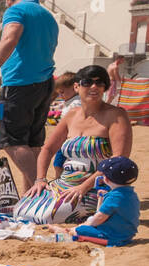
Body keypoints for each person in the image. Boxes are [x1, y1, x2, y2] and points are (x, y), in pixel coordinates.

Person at [15, 65, 131, 224]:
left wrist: (83, 187)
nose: (94, 87)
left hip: (96, 188)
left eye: (100, 83)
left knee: (47, 216)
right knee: (20, 210)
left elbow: (118, 160)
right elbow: (48, 149)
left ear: (105, 87)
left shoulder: (116, 116)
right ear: (76, 86)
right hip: (63, 184)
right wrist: (40, 180)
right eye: (88, 82)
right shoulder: (71, 115)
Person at [0, 0, 59, 191]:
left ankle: (43, 187)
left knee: (9, 139)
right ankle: (31, 196)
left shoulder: (16, 10)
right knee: (32, 143)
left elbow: (11, 38)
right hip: (45, 82)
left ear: (8, 1)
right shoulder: (47, 16)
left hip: (20, 83)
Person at [71, 156, 139, 246]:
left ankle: (73, 233)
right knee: (89, 221)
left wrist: (84, 225)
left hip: (112, 236)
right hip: (127, 235)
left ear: (106, 179)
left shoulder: (114, 197)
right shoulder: (131, 194)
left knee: (80, 230)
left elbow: (99, 217)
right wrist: (102, 198)